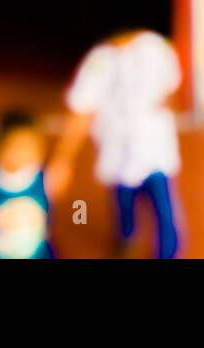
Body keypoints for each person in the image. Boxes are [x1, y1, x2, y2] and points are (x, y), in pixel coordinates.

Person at [50, 29, 182, 258]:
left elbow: (170, 88)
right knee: (125, 214)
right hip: (118, 156)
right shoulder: (98, 62)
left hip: (156, 153)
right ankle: (126, 243)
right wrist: (63, 159)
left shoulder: (157, 48)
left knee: (165, 213)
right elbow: (82, 111)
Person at [0, 111, 64, 259]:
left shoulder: (42, 177)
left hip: (38, 253)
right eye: (20, 148)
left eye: (34, 146)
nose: (30, 153)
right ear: (1, 149)